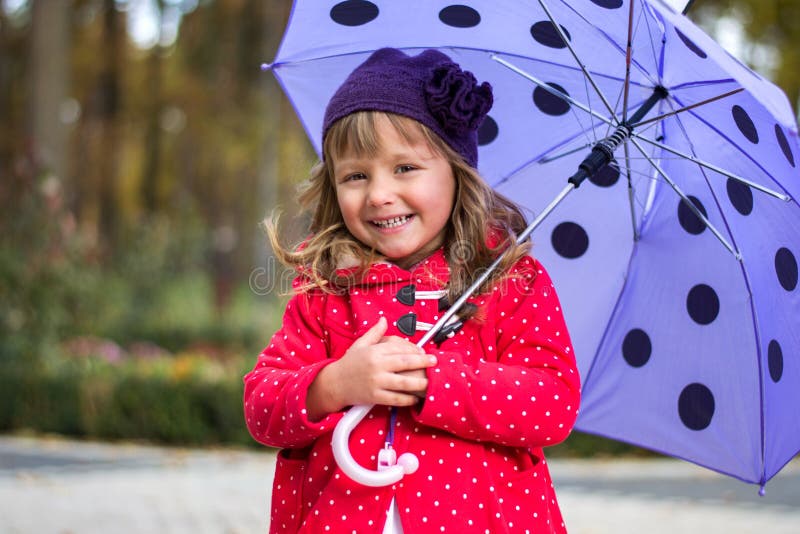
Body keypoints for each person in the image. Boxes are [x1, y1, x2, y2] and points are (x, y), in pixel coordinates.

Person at [244, 47, 581, 534]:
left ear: (456, 173)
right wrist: (333, 384)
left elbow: (552, 403)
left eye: (405, 168)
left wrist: (434, 379)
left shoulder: (509, 280)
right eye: (356, 175)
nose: (379, 194)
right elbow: (261, 405)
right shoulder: (325, 288)